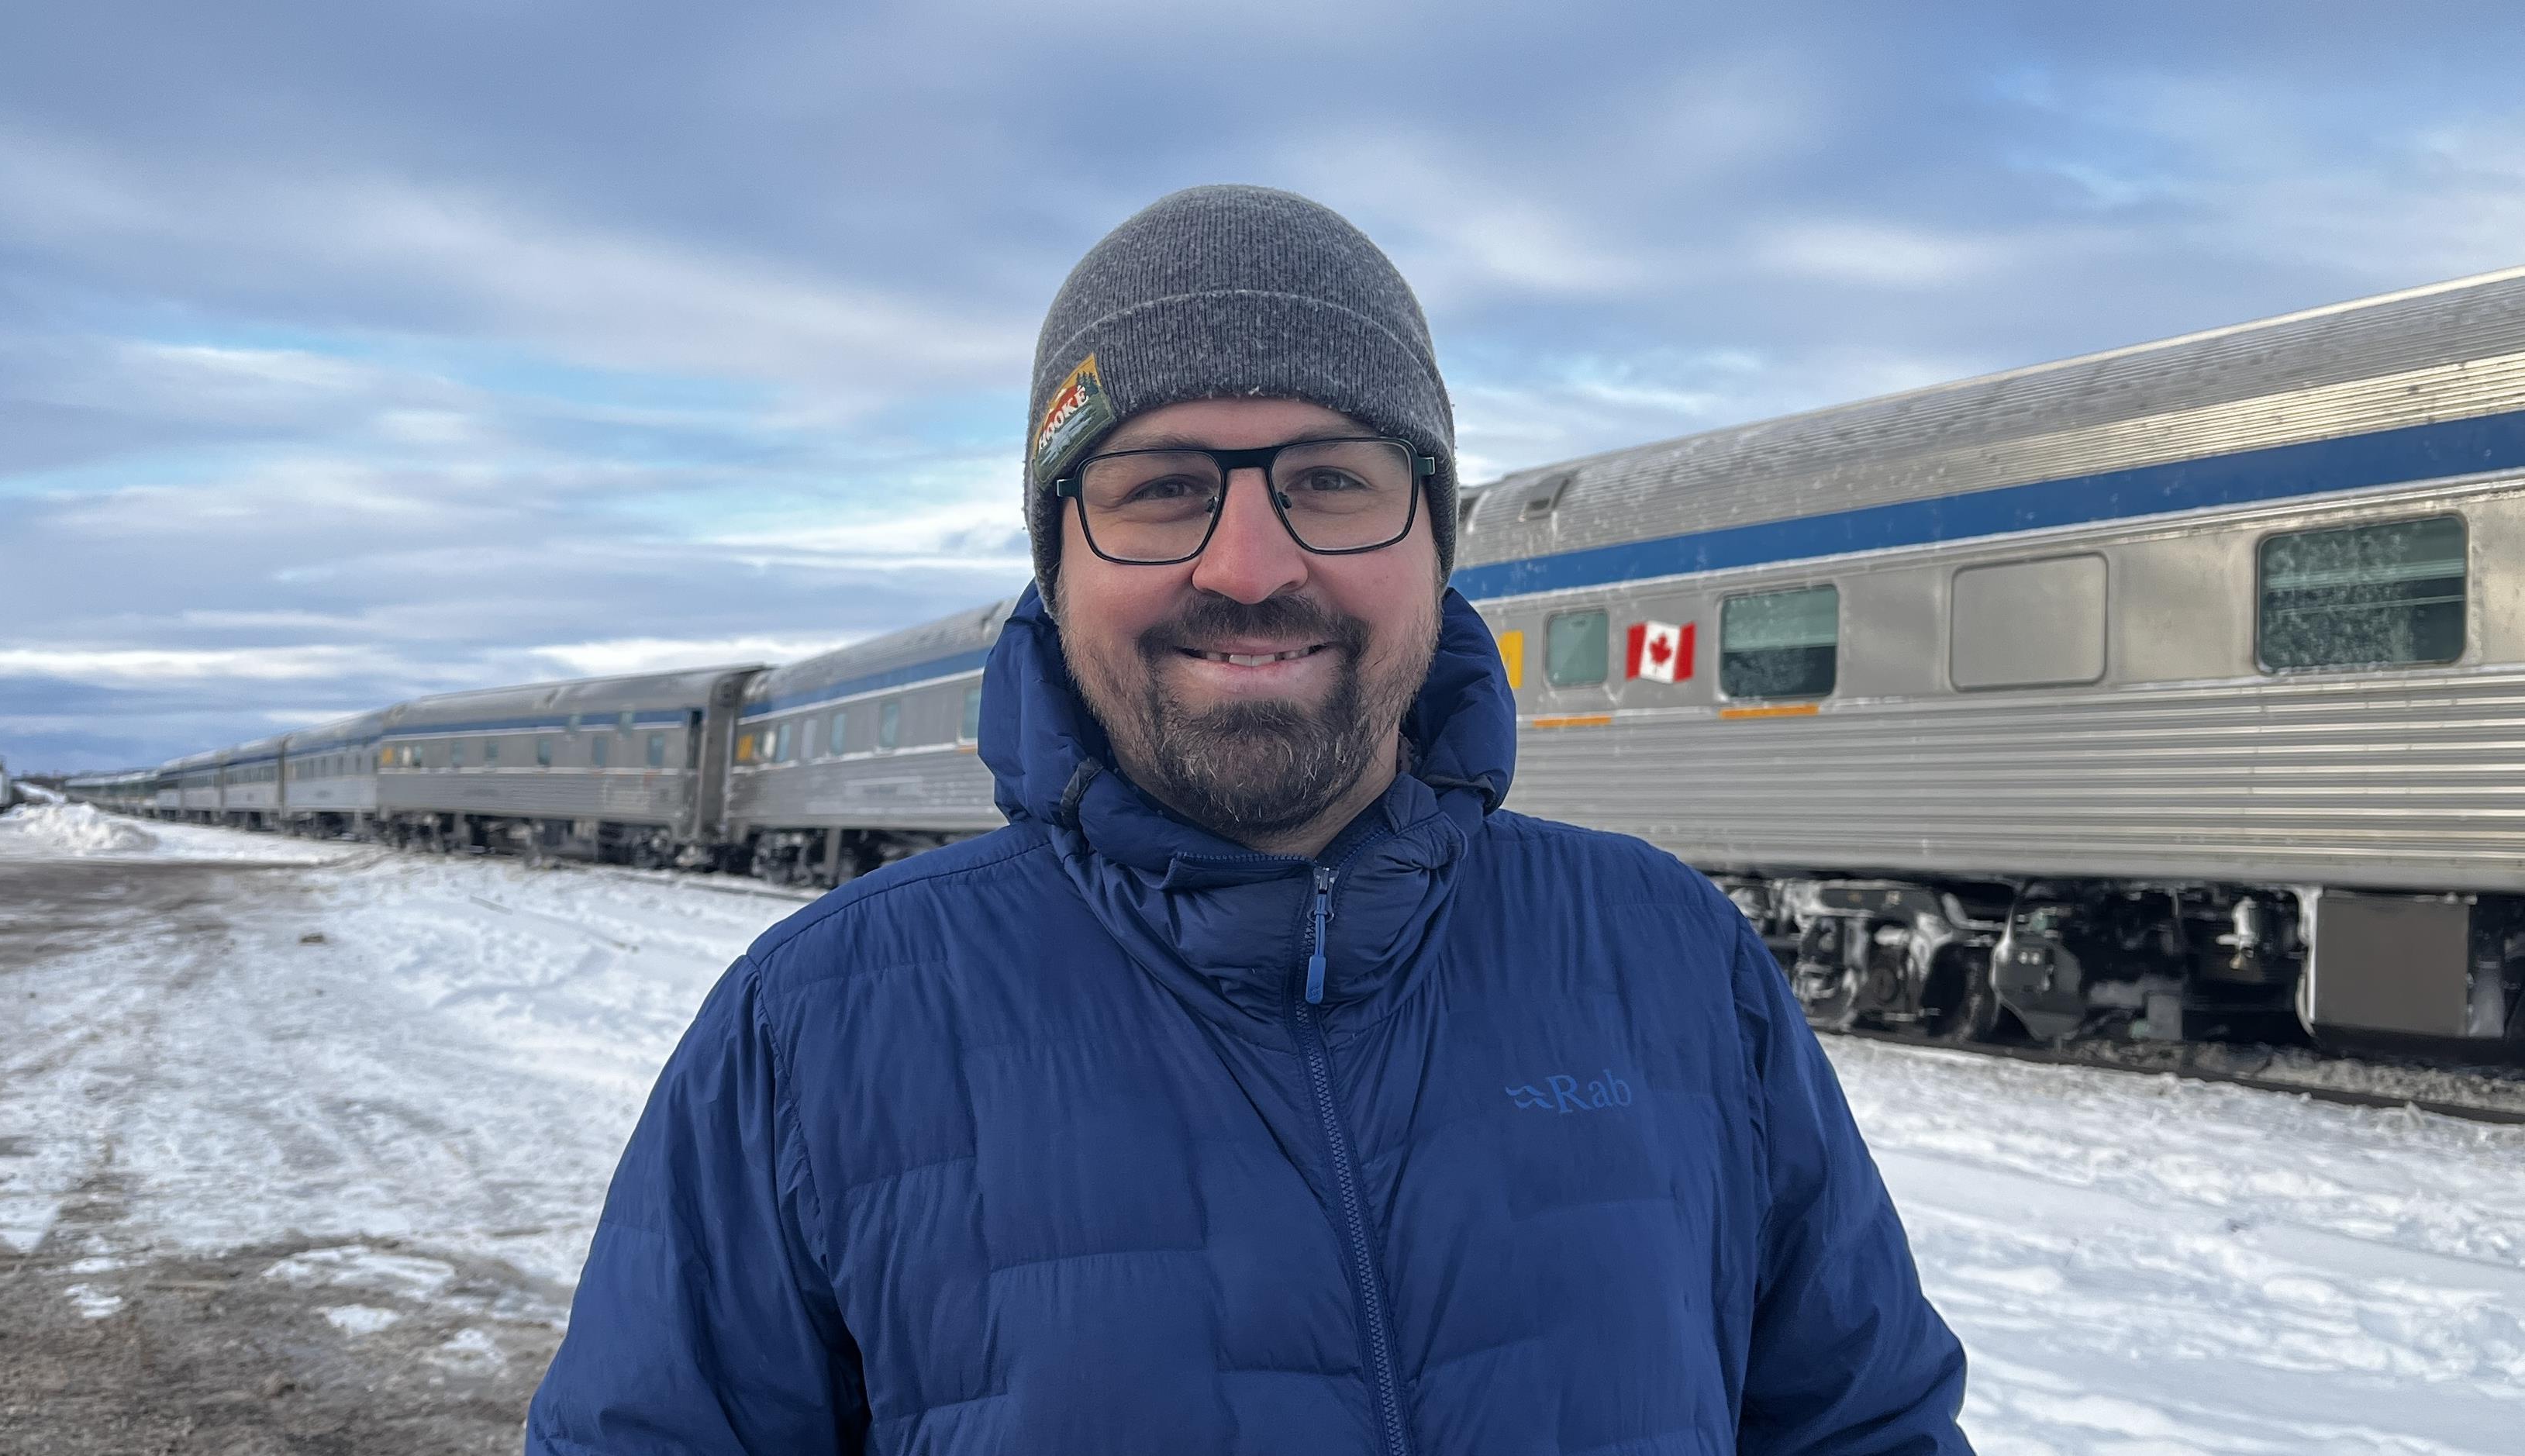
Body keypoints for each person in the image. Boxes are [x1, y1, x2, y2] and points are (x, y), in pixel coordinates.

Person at [526, 184, 1971, 1454]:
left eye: (1331, 479)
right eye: (1162, 490)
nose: (1250, 565)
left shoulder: (1678, 967)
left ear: (1435, 540)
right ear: (1055, 562)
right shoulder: (807, 1031)